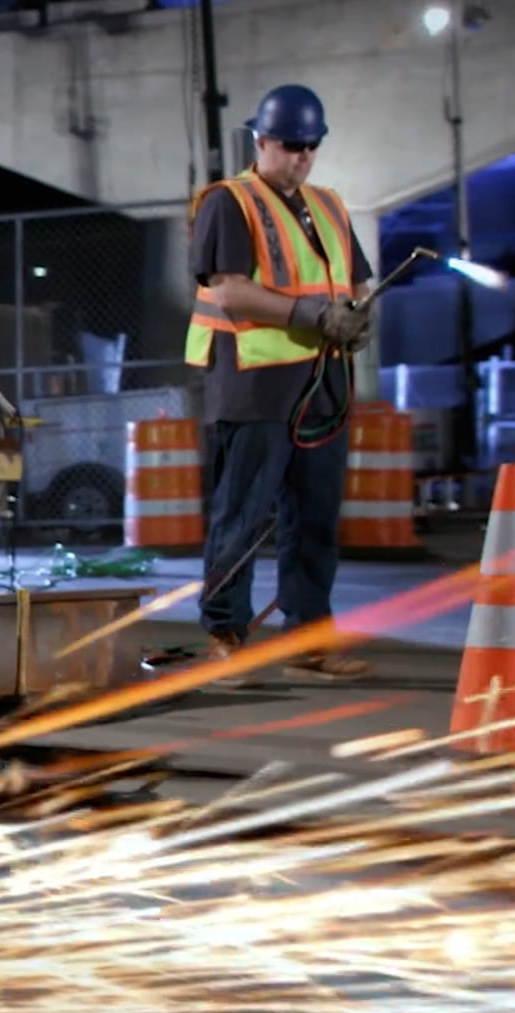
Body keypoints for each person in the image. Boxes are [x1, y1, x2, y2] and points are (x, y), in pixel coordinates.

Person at [186, 83, 375, 678]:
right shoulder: (229, 202)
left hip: (323, 384)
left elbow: (357, 283)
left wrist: (357, 319)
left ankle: (309, 638)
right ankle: (226, 634)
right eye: (292, 145)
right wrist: (313, 317)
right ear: (261, 140)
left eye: (312, 146)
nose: (303, 157)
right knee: (242, 515)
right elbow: (230, 288)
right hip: (255, 382)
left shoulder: (330, 206)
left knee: (315, 518)